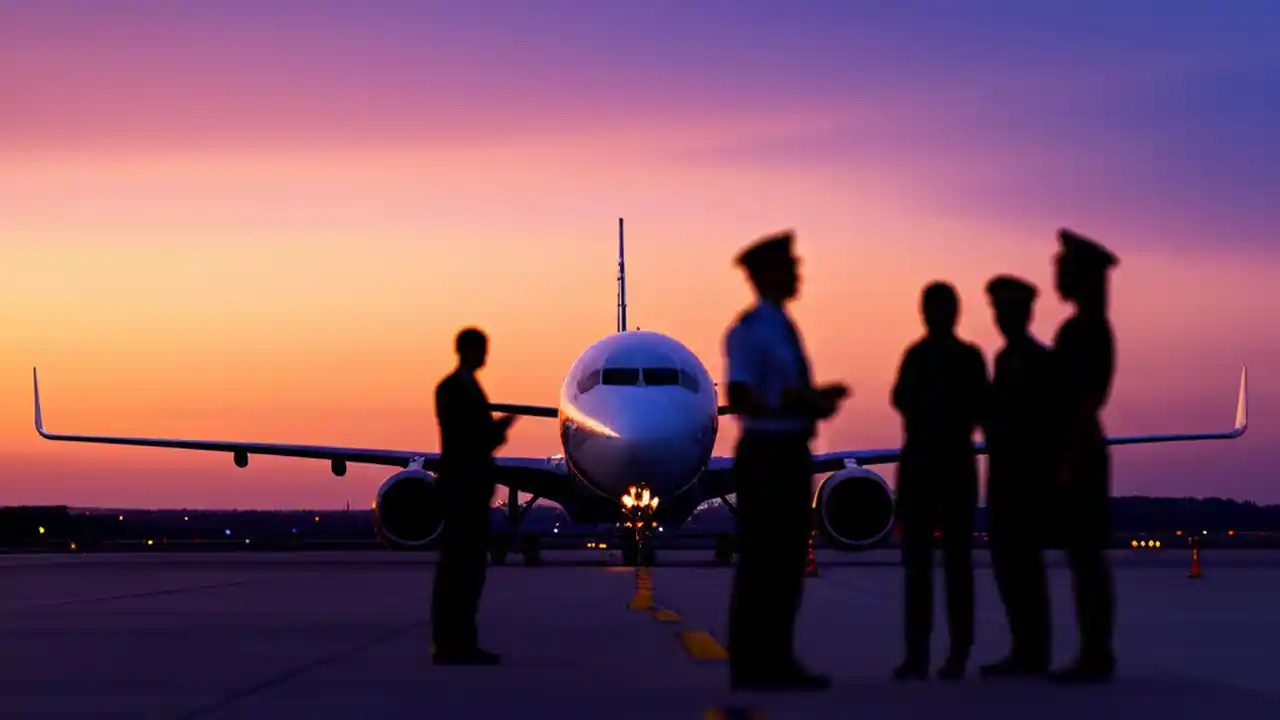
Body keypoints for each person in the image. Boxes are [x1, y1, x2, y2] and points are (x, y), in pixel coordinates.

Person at [724, 230, 850, 692]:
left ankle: (776, 659)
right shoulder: (750, 330)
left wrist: (813, 403)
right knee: (763, 561)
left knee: (786, 561)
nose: (798, 273)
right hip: (767, 451)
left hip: (791, 450)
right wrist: (798, 401)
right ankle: (752, 664)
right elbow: (740, 394)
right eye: (789, 267)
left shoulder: (781, 325)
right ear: (765, 274)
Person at [891, 282, 988, 681]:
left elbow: (900, 399)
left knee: (933, 570)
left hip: (929, 466)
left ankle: (926, 656)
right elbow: (984, 406)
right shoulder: (967, 358)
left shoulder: (918, 357)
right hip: (948, 467)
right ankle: (946, 654)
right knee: (947, 569)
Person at [1049, 229, 1119, 684]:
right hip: (1080, 445)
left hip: (1080, 448)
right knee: (1084, 557)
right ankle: (1094, 650)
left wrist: (1066, 458)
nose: (1057, 273)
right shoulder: (1088, 327)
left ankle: (1095, 654)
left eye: (1064, 266)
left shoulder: (1085, 330)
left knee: (1086, 557)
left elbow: (1084, 399)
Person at [980, 275, 1056, 678]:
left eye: (1008, 310)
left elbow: (1048, 422)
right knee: (1009, 568)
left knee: (1024, 568)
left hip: (1025, 479)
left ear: (1024, 314)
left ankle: (1034, 652)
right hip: (1005, 480)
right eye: (998, 311)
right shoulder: (1004, 359)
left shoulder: (1037, 361)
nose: (1001, 318)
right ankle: (1023, 648)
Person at [431, 327, 517, 665]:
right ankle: (455, 644)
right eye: (483, 349)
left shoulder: (456, 387)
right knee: (462, 571)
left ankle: (455, 642)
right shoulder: (458, 389)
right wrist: (499, 430)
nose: (486, 356)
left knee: (461, 570)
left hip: (464, 489)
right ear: (469, 350)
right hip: (464, 490)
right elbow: (470, 440)